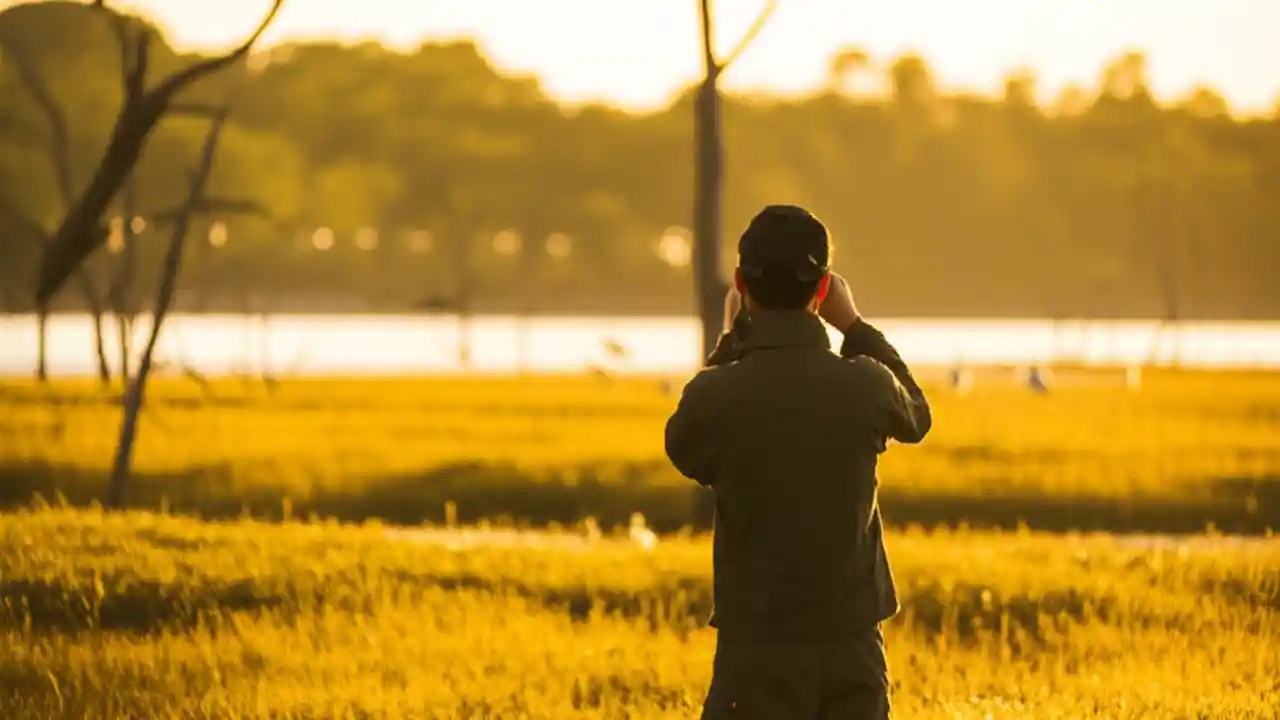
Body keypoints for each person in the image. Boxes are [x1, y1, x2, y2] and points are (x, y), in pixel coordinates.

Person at [665, 205, 932, 719]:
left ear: (742, 284)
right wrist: (853, 325)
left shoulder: (719, 394)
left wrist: (731, 341)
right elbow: (917, 416)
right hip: (850, 651)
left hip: (755, 653)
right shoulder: (866, 383)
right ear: (824, 288)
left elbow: (685, 444)